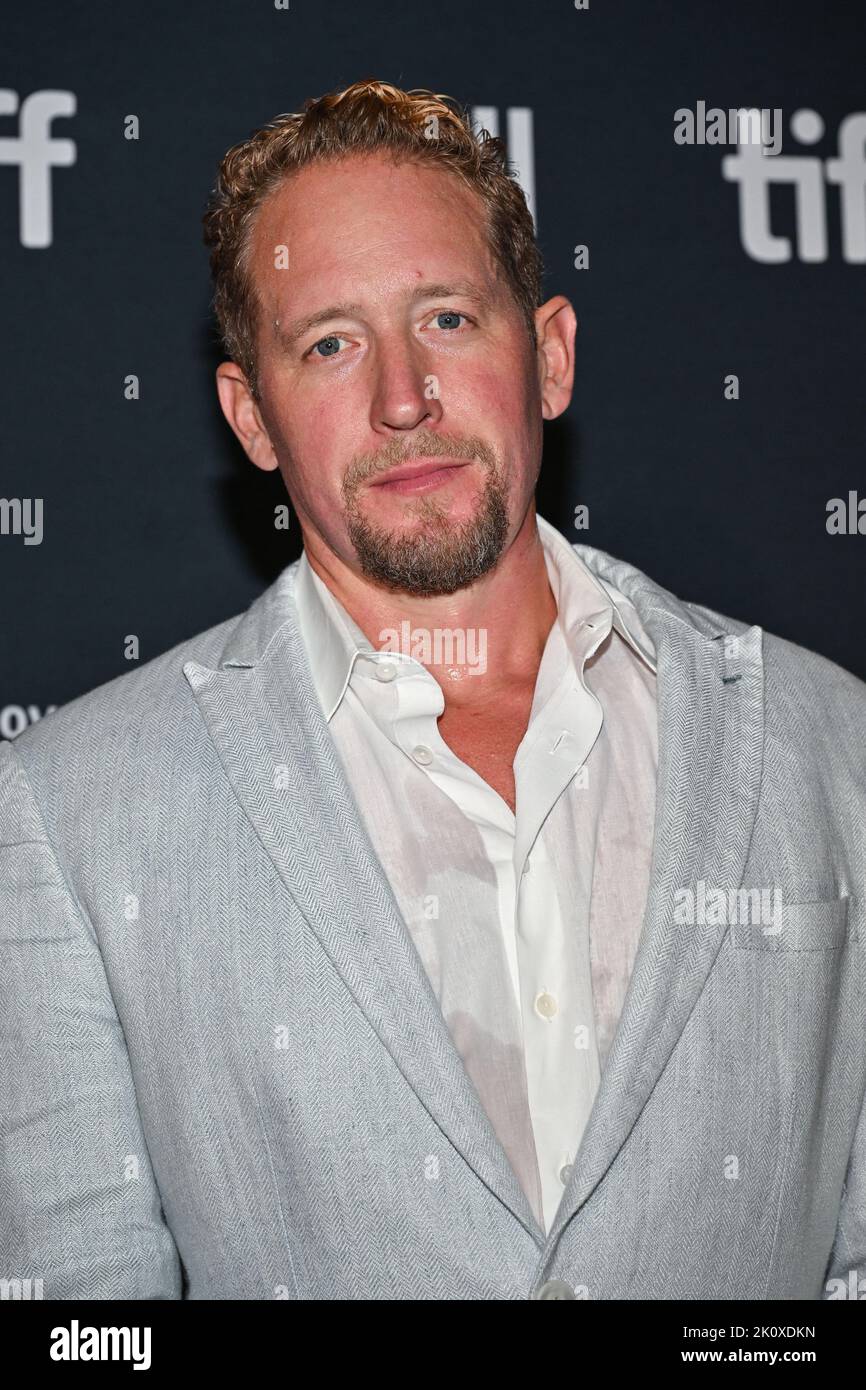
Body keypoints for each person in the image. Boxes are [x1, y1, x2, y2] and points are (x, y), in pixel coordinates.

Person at [1, 79, 864, 1301]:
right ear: (251, 417)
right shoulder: (66, 814)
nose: (402, 398)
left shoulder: (832, 745)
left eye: (448, 318)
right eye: (330, 344)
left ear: (549, 356)